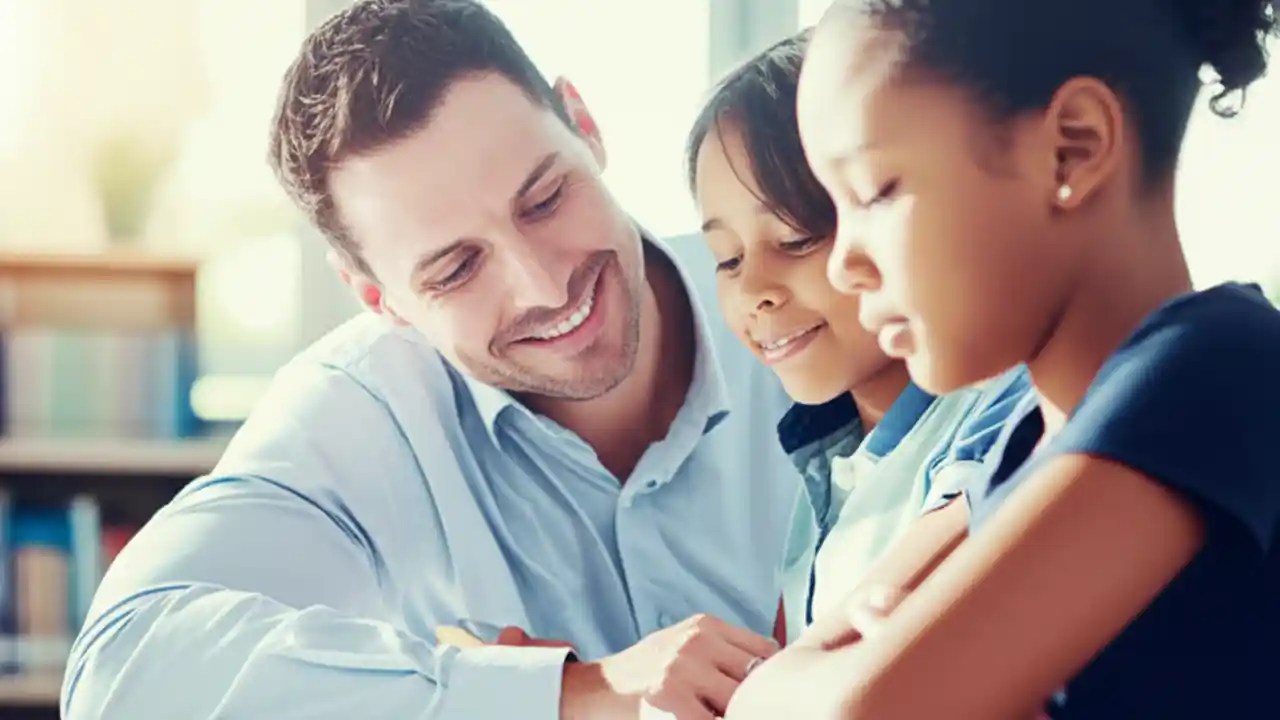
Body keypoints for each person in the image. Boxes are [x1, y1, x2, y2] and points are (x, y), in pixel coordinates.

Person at [60, 2, 805, 718]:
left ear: (584, 124)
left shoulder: (818, 305)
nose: (544, 285)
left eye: (545, 199)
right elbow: (122, 676)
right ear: (375, 295)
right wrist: (560, 695)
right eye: (456, 271)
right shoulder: (365, 411)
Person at [726, 1, 1280, 718]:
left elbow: (858, 710)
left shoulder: (1217, 372)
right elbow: (764, 698)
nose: (845, 265)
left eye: (872, 194)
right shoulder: (1012, 448)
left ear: (1072, 149)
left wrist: (862, 669)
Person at [684, 31, 1029, 641]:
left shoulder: (1001, 420)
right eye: (727, 258)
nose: (753, 289)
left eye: (795, 239)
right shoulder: (827, 477)